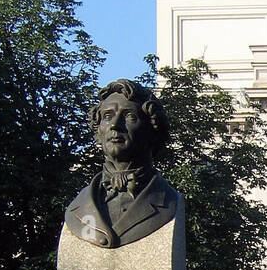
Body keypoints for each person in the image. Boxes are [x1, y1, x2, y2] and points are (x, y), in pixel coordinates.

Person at [64, 79, 180, 248]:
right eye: (107, 116)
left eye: (129, 116)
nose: (114, 125)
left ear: (152, 129)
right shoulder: (78, 206)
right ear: (98, 132)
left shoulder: (170, 201)